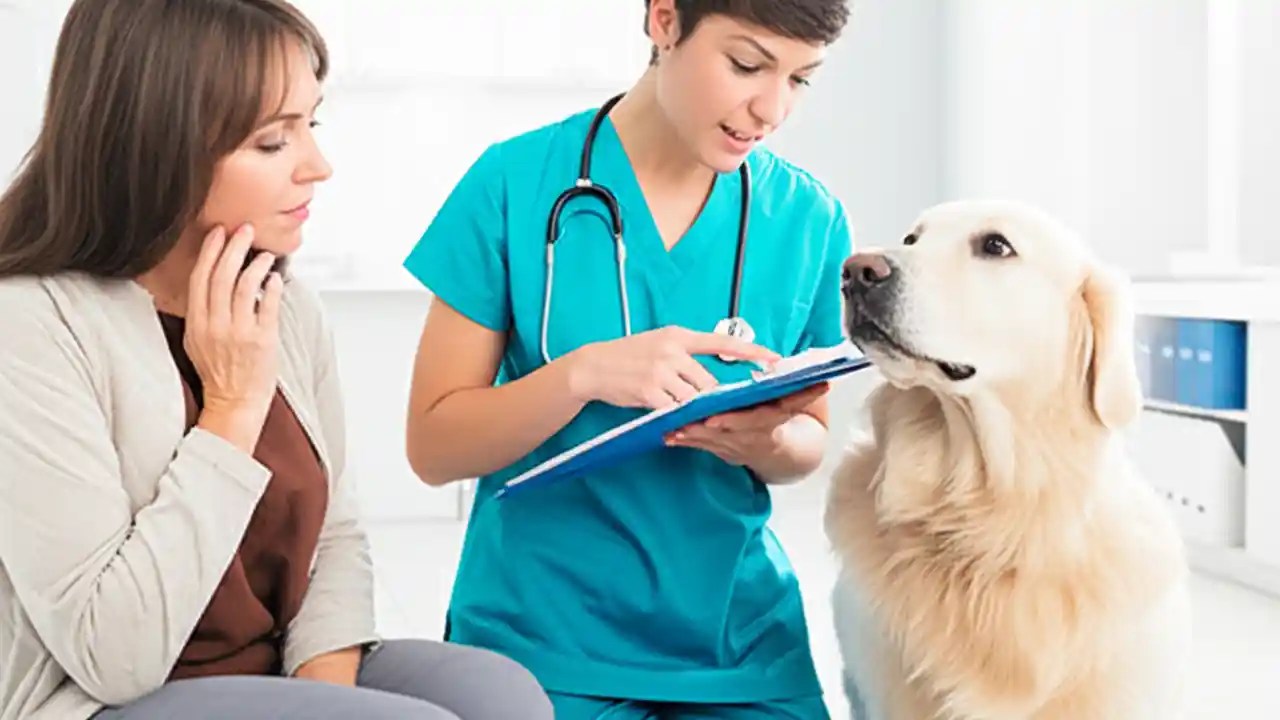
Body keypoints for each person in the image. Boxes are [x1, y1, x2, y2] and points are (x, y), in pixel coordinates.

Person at [0, 2, 553, 719]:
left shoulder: (285, 306)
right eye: (272, 142)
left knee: (503, 698)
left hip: (267, 674)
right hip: (106, 697)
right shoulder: (33, 323)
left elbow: (335, 538)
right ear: (157, 147)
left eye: (310, 125)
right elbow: (114, 657)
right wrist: (230, 409)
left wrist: (325, 700)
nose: (318, 167)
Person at [402, 0, 854, 717]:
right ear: (665, 19)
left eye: (801, 79)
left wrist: (766, 441)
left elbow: (810, 441)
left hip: (740, 646)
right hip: (543, 641)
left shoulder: (808, 218)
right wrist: (580, 376)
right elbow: (433, 445)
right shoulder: (512, 183)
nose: (770, 109)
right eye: (745, 64)